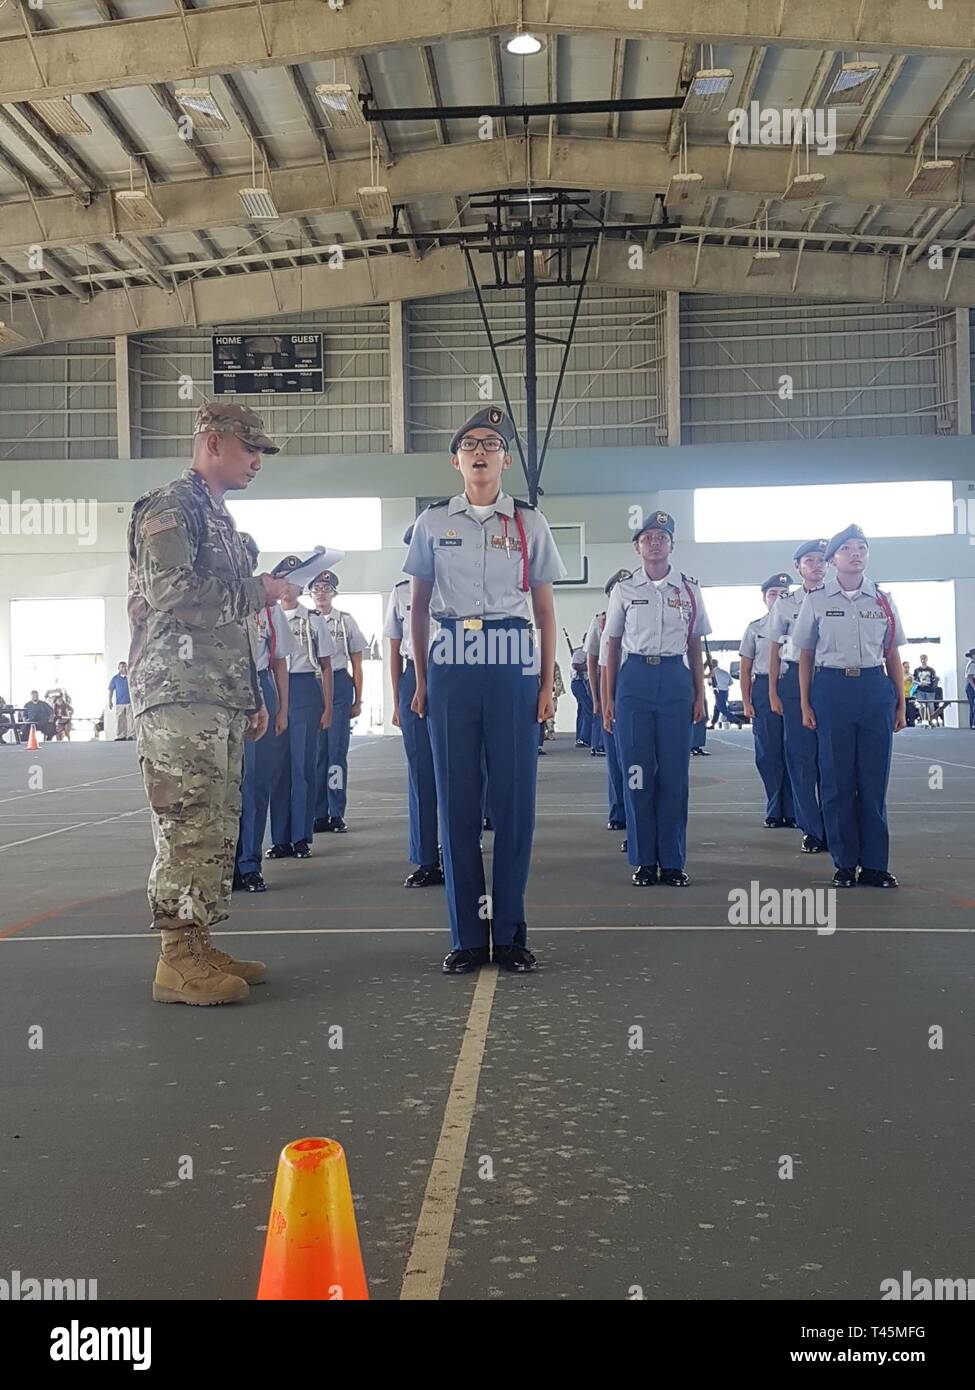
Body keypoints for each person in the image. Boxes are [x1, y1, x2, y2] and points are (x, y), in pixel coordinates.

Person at [128, 400, 297, 1005]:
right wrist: (263, 589)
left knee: (217, 821)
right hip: (177, 691)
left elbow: (234, 625)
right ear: (214, 441)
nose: (257, 461)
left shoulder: (220, 520)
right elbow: (173, 593)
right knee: (187, 819)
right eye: (250, 448)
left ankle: (195, 940)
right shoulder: (171, 508)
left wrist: (249, 693)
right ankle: (176, 958)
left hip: (215, 693)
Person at [405, 404, 566, 974]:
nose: (480, 451)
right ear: (455, 460)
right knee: (458, 801)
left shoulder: (529, 524)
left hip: (510, 656)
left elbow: (545, 610)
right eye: (470, 443)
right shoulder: (432, 524)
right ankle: (468, 937)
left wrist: (547, 687)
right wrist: (422, 681)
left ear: (504, 460)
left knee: (514, 801)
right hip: (451, 656)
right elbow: (418, 606)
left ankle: (514, 933)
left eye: (491, 444)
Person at [793, 523, 906, 889]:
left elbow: (892, 653)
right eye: (848, 548)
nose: (856, 553)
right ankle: (844, 864)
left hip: (874, 688)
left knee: (873, 780)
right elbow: (806, 654)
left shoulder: (883, 599)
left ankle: (875, 865)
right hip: (833, 688)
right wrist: (806, 703)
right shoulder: (817, 599)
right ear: (833, 559)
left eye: (862, 547)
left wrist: (900, 705)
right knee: (837, 779)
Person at [602, 510, 710, 888]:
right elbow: (611, 646)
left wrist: (700, 693)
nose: (655, 542)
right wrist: (608, 698)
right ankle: (645, 860)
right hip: (634, 681)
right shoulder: (625, 589)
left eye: (662, 537)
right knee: (637, 774)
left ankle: (673, 860)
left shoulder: (689, 590)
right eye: (647, 537)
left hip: (675, 680)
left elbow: (696, 644)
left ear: (672, 545)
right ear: (637, 547)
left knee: (675, 775)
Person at [233, 537, 302, 893]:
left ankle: (249, 864)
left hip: (259, 687)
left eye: (246, 557)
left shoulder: (269, 605)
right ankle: (224, 866)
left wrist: (283, 710)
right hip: (221, 690)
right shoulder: (214, 600)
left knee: (256, 784)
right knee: (224, 786)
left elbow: (279, 661)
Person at [385, 524, 444, 888]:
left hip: (454, 674)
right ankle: (426, 858)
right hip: (413, 679)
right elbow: (394, 648)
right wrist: (397, 700)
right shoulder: (400, 593)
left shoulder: (461, 590)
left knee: (462, 769)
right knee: (421, 770)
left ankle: (457, 850)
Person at [768, 539, 828, 853]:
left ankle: (836, 823)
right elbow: (775, 649)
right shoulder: (786, 603)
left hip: (830, 679)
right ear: (798, 567)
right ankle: (812, 828)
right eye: (809, 560)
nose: (816, 565)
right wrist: (773, 692)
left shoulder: (837, 599)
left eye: (821, 560)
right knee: (802, 757)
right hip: (793, 683)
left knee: (833, 758)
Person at [268, 586, 335, 858]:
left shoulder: (314, 619)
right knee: (278, 770)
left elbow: (326, 664)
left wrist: (328, 707)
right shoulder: (269, 616)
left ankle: (300, 837)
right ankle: (280, 838)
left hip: (305, 688)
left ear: (300, 589)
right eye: (282, 583)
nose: (287, 590)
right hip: (275, 688)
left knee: (303, 767)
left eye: (293, 584)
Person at [310, 570, 367, 834]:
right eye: (317, 588)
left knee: (336, 753)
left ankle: (336, 812)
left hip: (340, 684)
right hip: (313, 686)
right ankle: (318, 812)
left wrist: (358, 699)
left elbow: (357, 663)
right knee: (316, 754)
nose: (321, 592)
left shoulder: (345, 622)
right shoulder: (304, 620)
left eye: (326, 588)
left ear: (334, 593)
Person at [740, 574, 797, 829]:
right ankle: (775, 808)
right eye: (772, 593)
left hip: (794, 685)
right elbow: (745, 668)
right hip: (763, 688)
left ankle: (796, 809)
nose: (777, 598)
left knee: (796, 751)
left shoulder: (800, 624)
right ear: (764, 598)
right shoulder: (755, 628)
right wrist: (746, 702)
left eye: (783, 593)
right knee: (769, 752)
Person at [586, 569, 632, 828]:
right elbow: (593, 662)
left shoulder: (642, 617)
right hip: (610, 691)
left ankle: (640, 816)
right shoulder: (600, 622)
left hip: (636, 688)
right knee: (615, 759)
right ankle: (619, 813)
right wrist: (597, 699)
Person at [569, 645, 592, 747]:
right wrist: (591, 663)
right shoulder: (580, 652)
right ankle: (584, 738)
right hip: (579, 683)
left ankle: (581, 737)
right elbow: (576, 665)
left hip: (583, 683)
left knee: (582, 710)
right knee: (588, 709)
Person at [108, 662, 134, 740]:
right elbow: (111, 690)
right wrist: (110, 701)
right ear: (118, 668)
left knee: (130, 720)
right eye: (122, 667)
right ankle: (121, 735)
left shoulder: (130, 677)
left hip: (130, 702)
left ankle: (131, 735)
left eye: (125, 667)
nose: (124, 668)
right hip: (120, 702)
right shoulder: (115, 678)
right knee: (120, 719)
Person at [912, 655, 939, 727]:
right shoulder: (917, 670)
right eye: (922, 659)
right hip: (920, 690)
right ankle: (924, 721)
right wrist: (919, 683)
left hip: (930, 690)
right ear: (920, 660)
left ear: (927, 659)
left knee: (931, 706)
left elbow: (935, 678)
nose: (923, 660)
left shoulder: (931, 670)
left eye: (924, 659)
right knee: (922, 706)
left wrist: (934, 686)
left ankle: (931, 720)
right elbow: (914, 680)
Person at [707, 659, 734, 728]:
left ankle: (737, 720)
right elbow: (731, 683)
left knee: (722, 708)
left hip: (718, 692)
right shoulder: (725, 672)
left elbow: (709, 683)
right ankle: (713, 724)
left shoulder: (712, 673)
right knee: (716, 708)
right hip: (725, 691)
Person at [965, 649, 975, 729]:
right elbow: (969, 678)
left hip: (972, 686)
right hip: (972, 686)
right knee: (973, 705)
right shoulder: (972, 664)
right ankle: (973, 723)